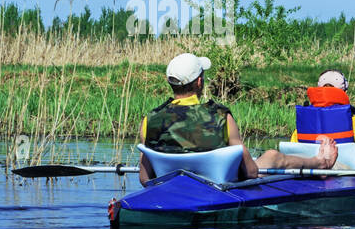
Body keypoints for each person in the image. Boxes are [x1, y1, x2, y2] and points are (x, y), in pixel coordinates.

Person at [139, 54, 337, 183]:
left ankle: (318, 163)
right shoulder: (220, 116)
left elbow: (144, 177)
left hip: (168, 186)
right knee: (273, 156)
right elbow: (249, 172)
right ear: (199, 82)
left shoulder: (150, 120)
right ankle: (320, 163)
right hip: (220, 185)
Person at [290, 70, 355, 169]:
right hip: (346, 173)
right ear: (344, 92)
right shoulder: (353, 119)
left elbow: (294, 151)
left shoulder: (304, 120)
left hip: (311, 171)